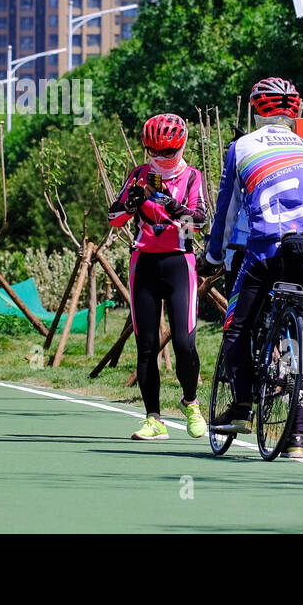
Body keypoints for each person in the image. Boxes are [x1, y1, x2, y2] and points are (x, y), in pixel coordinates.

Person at [202, 78, 303, 458]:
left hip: (265, 249)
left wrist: (213, 257)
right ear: (296, 113)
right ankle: (297, 438)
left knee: (236, 328)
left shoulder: (241, 147)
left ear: (256, 109)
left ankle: (240, 408)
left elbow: (227, 210)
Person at [108, 113, 210, 441]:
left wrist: (168, 202)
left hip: (180, 263)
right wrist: (130, 203)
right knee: (147, 345)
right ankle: (154, 419)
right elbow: (114, 219)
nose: (160, 159)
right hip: (144, 263)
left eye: (167, 152)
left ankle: (190, 402)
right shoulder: (139, 175)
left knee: (184, 342)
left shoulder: (193, 177)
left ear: (181, 147)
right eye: (153, 151)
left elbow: (199, 222)